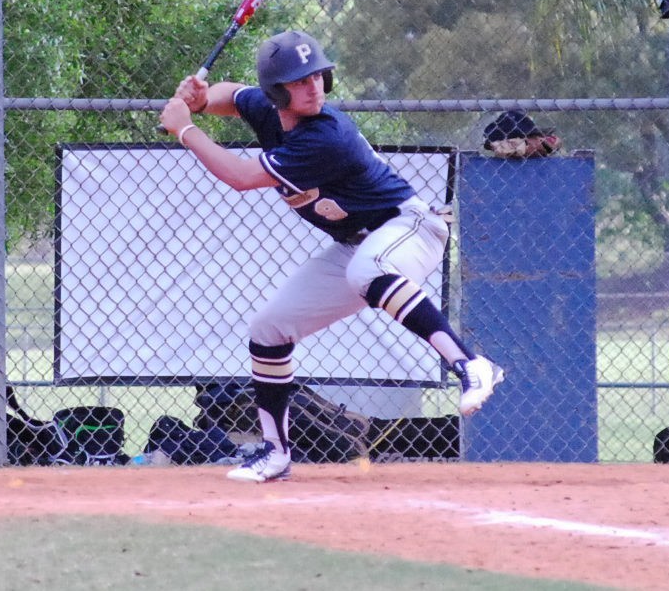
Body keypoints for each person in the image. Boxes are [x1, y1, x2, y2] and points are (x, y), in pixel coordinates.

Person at [159, 30, 505, 483]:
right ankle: (276, 454)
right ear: (277, 92)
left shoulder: (326, 136)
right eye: (300, 81)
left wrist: (185, 128)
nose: (314, 87)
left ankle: (469, 364)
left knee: (370, 268)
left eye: (319, 76)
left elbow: (242, 177)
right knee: (269, 328)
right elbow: (234, 95)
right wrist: (203, 100)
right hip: (356, 243)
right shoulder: (269, 111)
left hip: (409, 227)